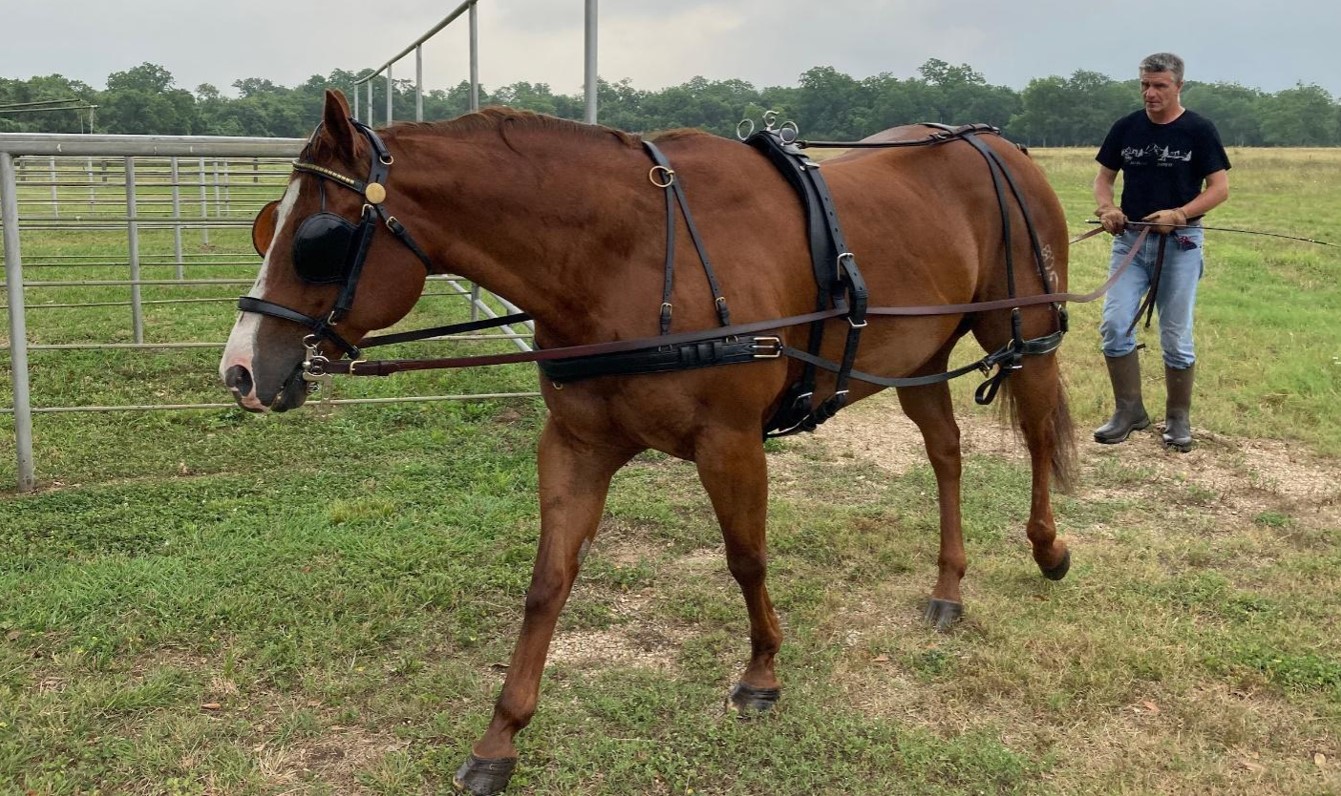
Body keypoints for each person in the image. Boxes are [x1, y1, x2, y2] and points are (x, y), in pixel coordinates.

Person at [1091, 52, 1231, 452]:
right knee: (1115, 325)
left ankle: (1178, 418)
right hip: (1129, 243)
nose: (1150, 93)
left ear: (1178, 86)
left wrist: (1180, 214)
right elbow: (1103, 179)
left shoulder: (1199, 130)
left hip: (1181, 245)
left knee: (1176, 337)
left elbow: (1219, 189)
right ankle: (1129, 412)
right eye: (1144, 85)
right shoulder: (1126, 128)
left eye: (1159, 86)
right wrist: (1108, 209)